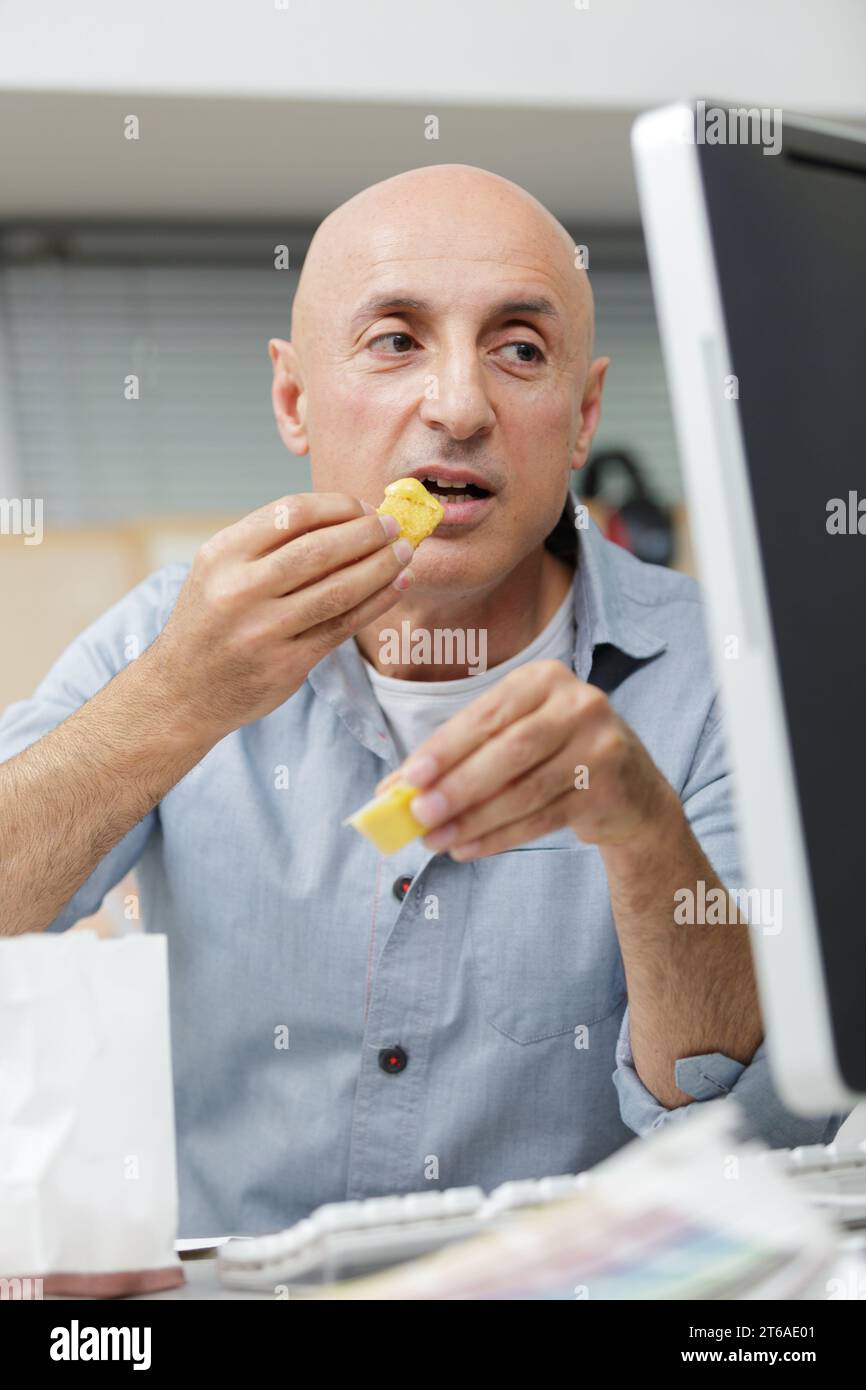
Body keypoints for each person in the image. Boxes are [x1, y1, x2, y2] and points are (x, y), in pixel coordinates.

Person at [0, 165, 845, 1235]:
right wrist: (175, 695)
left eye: (519, 351)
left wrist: (640, 832)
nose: (456, 407)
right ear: (294, 399)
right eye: (394, 340)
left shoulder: (726, 680)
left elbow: (754, 1134)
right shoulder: (166, 635)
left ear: (581, 417)